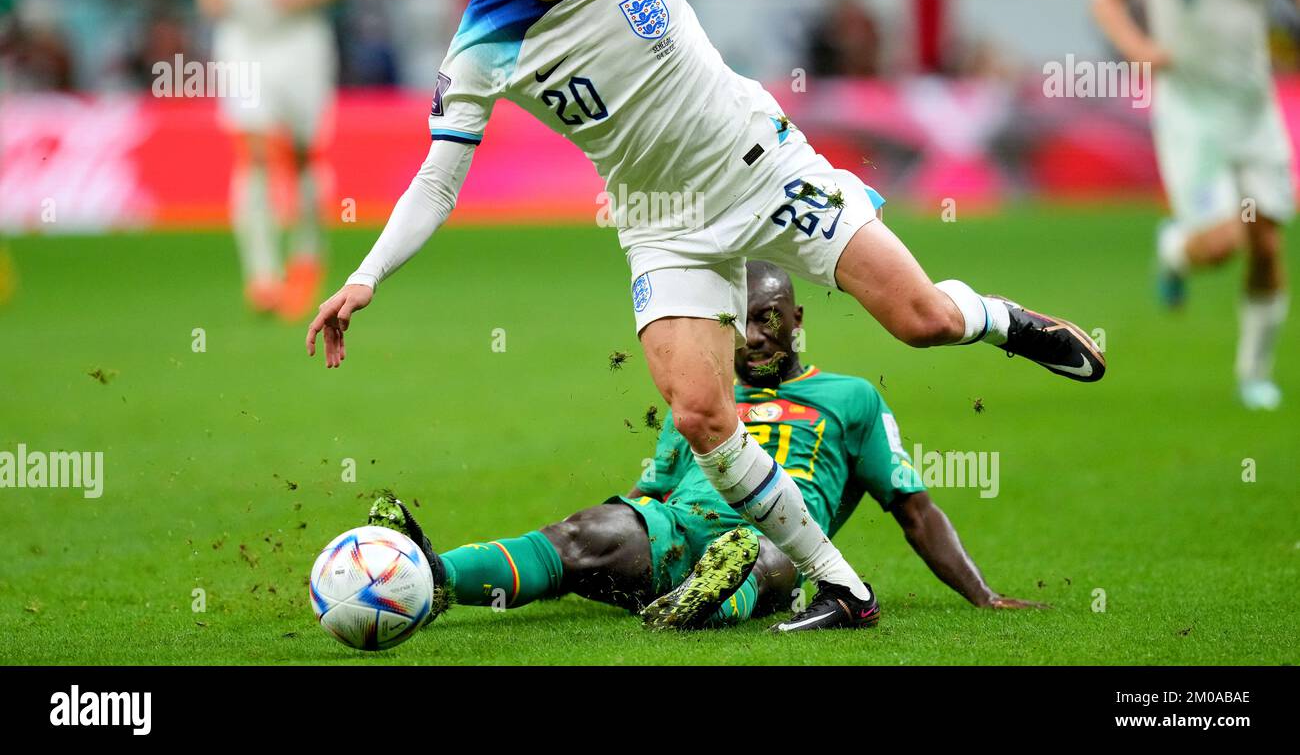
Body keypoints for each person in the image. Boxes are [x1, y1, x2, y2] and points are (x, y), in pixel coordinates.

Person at [307, 0, 1103, 631]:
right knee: (700, 413)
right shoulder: (483, 41)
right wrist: (368, 275)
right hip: (663, 227)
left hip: (768, 173)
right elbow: (439, 178)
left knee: (921, 321)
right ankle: (842, 587)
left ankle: (1006, 322)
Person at [367, 261, 1045, 631]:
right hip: (686, 528)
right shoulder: (699, 396)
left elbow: (913, 507)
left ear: (797, 318)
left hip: (784, 534)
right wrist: (618, 532)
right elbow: (653, 491)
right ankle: (436, 577)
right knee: (585, 533)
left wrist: (981, 596)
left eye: (768, 317)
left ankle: (715, 597)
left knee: (772, 556)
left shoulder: (852, 400)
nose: (752, 334)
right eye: (738, 319)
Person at [1091, 0, 1300, 411]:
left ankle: (1254, 373)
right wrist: (1137, 47)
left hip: (1253, 108)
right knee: (1222, 245)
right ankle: (1173, 250)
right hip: (1190, 113)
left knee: (1267, 244)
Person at [192, 0, 364, 319]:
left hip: (301, 42)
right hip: (242, 42)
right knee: (254, 151)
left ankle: (307, 255)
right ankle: (263, 277)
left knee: (305, 154)